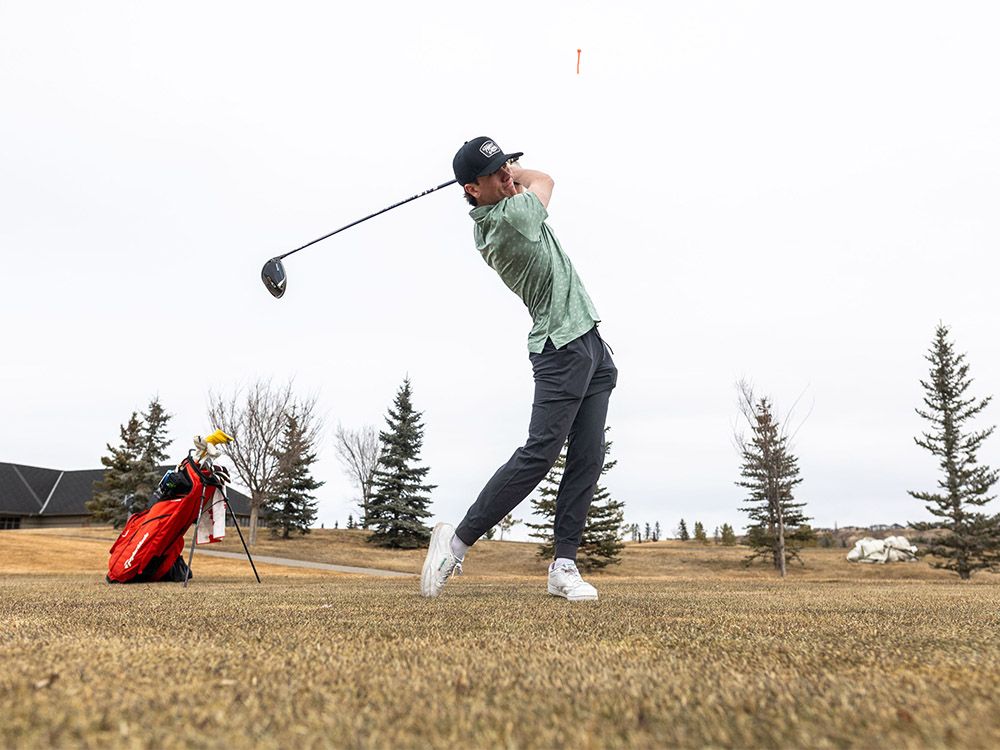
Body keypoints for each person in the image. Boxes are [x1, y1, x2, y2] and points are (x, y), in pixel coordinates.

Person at [420, 137, 617, 601]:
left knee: (587, 458)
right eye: (496, 173)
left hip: (589, 341)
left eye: (507, 166)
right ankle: (455, 543)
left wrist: (505, 169)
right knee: (539, 455)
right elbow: (544, 180)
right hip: (559, 349)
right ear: (472, 189)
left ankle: (563, 565)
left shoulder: (507, 202)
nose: (508, 176)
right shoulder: (508, 221)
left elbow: (523, 181)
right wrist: (521, 173)